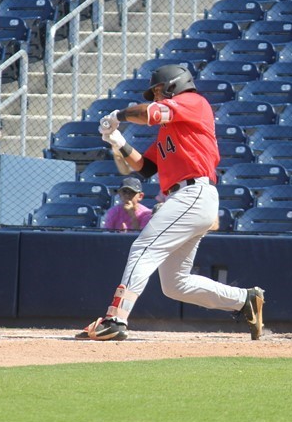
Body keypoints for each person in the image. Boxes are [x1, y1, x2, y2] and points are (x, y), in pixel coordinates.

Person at [76, 64, 266, 341]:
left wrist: (118, 115)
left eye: (157, 90)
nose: (155, 96)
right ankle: (244, 299)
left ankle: (115, 318)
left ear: (174, 85)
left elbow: (148, 114)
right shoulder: (172, 130)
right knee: (175, 284)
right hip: (187, 198)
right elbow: (145, 167)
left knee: (143, 248)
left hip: (193, 193)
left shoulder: (192, 102)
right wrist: (118, 142)